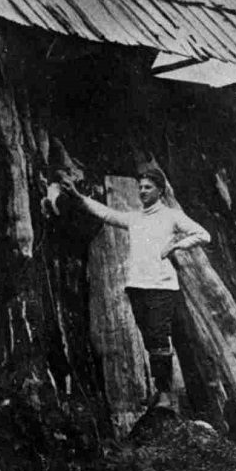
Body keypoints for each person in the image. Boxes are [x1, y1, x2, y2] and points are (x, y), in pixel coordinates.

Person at [59, 167, 210, 410]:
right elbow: (107, 214)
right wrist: (78, 197)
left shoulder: (171, 216)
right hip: (137, 286)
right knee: (150, 339)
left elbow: (203, 235)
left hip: (161, 286)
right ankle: (161, 389)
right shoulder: (135, 218)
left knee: (159, 338)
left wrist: (176, 246)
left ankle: (166, 394)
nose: (142, 191)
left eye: (148, 187)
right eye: (140, 187)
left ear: (160, 190)